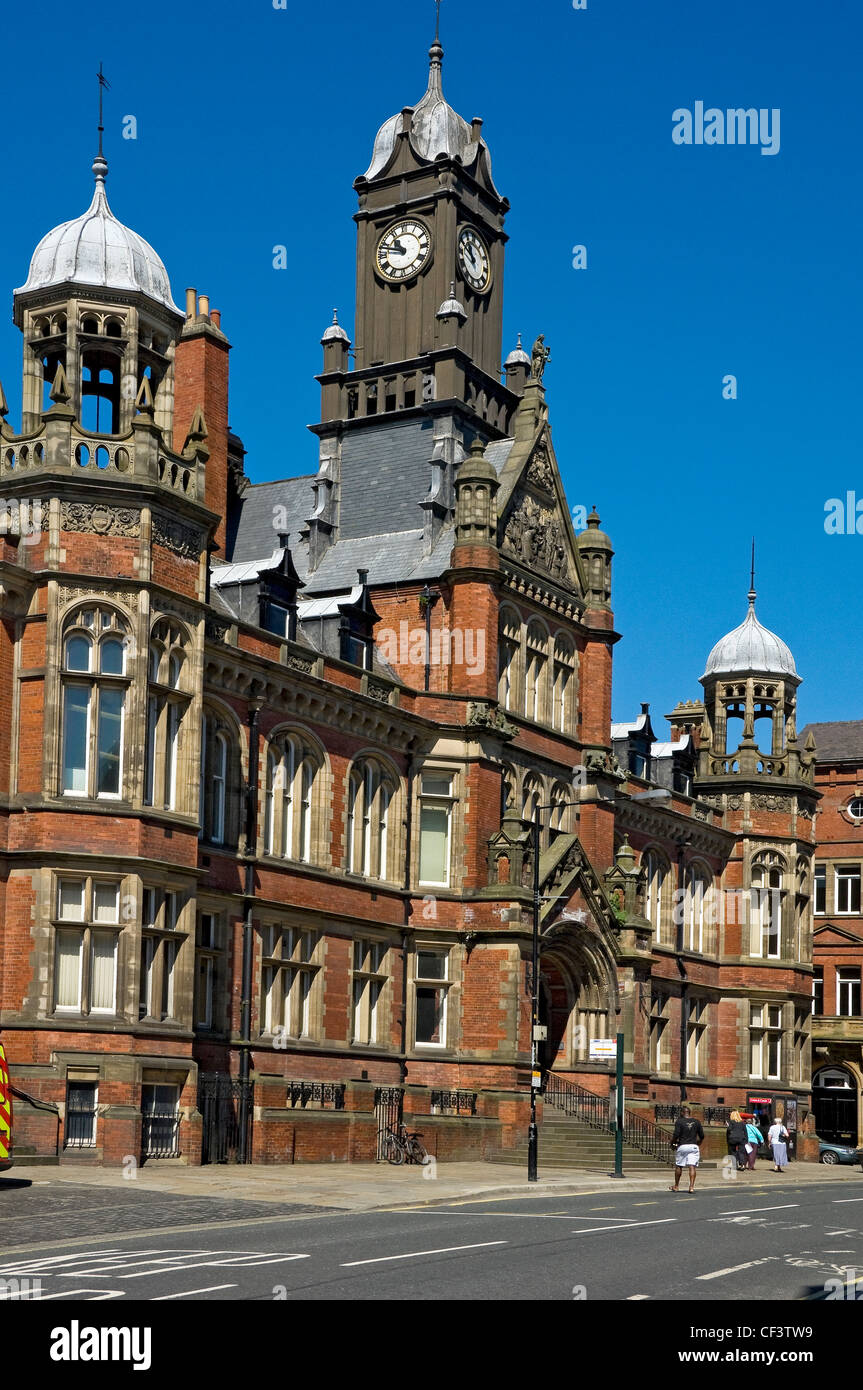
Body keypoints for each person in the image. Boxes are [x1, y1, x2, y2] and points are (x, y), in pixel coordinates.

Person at [669, 1106, 704, 1193]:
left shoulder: (679, 1121)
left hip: (683, 1146)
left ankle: (676, 1186)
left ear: (682, 1113)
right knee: (692, 1166)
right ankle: (691, 1187)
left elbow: (676, 1134)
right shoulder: (697, 1122)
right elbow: (702, 1136)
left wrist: (672, 1143)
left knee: (679, 1166)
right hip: (693, 1146)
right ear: (689, 1112)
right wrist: (698, 1142)